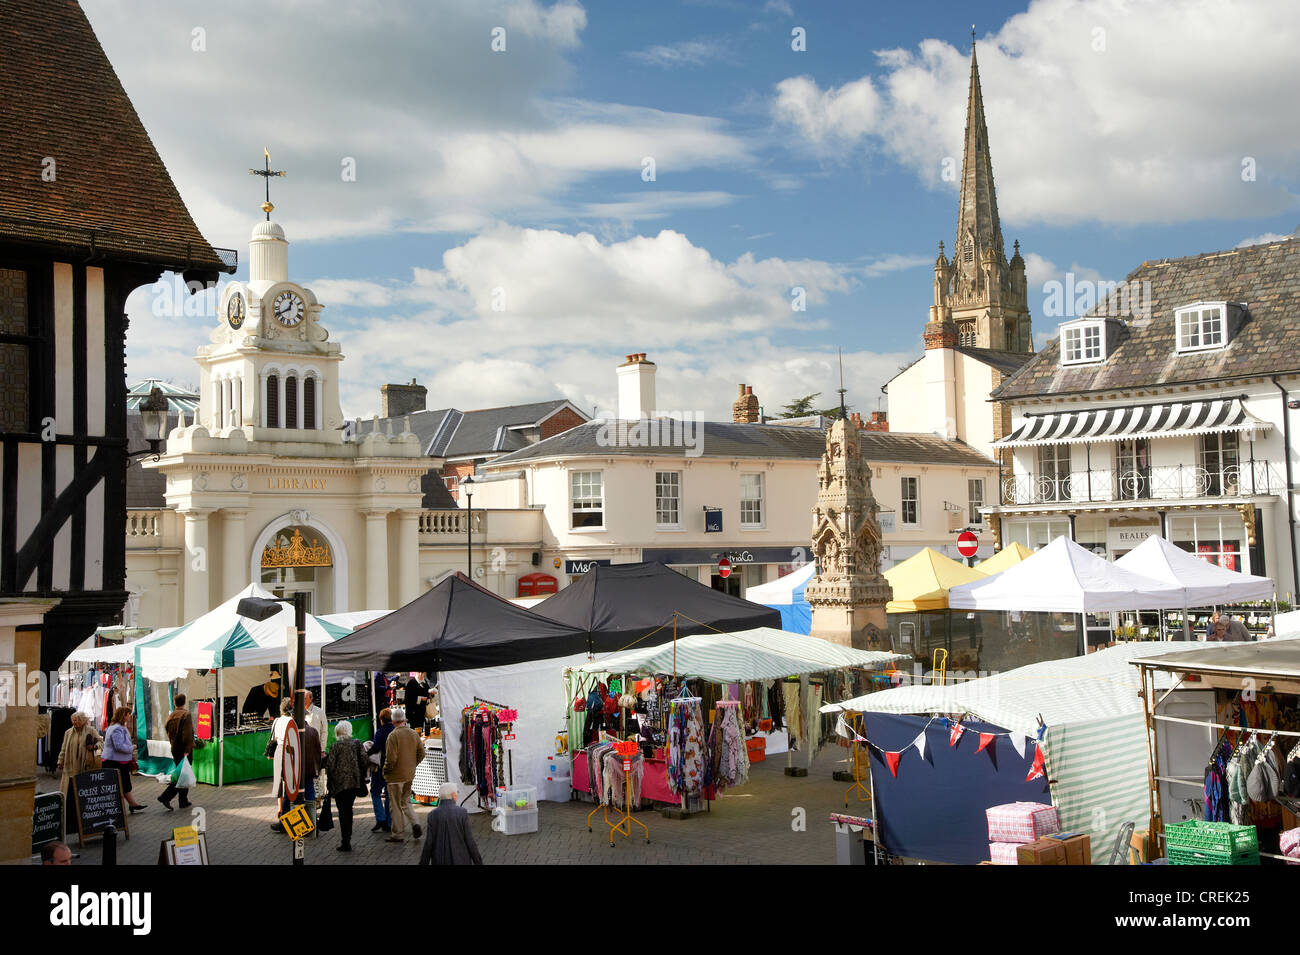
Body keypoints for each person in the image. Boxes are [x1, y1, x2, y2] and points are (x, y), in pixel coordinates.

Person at [324, 720, 368, 852]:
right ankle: (347, 838)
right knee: (348, 809)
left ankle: (345, 840)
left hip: (339, 785)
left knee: (342, 811)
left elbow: (330, 766)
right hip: (353, 783)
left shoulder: (335, 746)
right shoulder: (357, 743)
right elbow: (364, 760)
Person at [382, 707, 423, 844]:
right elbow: (421, 753)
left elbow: (391, 759)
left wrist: (386, 770)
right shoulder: (413, 733)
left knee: (395, 805)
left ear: (393, 721)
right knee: (406, 801)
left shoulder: (393, 736)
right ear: (404, 719)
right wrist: (413, 764)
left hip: (395, 776)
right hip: (409, 774)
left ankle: (398, 833)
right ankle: (415, 822)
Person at [418, 781, 483, 865]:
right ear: (452, 795)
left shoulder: (432, 815)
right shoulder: (462, 813)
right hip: (461, 860)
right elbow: (470, 841)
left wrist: (423, 862)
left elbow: (429, 843)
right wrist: (478, 862)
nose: (457, 795)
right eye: (456, 793)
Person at [56, 711, 100, 833]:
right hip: (70, 768)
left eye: (77, 720)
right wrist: (60, 760)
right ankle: (70, 823)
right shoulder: (68, 733)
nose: (74, 722)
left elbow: (100, 742)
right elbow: (64, 747)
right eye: (73, 720)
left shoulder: (91, 731)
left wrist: (94, 747)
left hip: (84, 768)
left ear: (83, 720)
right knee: (69, 795)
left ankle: (83, 821)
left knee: (81, 795)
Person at [101, 707, 145, 814]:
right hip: (115, 761)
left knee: (123, 784)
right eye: (128, 714)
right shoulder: (117, 728)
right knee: (121, 784)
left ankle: (132, 804)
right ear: (123, 715)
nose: (129, 717)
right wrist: (132, 748)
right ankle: (126, 805)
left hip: (117, 760)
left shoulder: (117, 727)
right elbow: (119, 746)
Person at [159, 694, 195, 810]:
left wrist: (173, 742)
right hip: (184, 749)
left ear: (174, 703)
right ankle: (166, 796)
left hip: (175, 748)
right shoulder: (186, 714)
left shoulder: (171, 715)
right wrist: (187, 749)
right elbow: (187, 734)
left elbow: (167, 729)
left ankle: (183, 800)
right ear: (184, 702)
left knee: (183, 774)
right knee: (183, 775)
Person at [367, 708, 394, 832]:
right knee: (389, 795)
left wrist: (366, 752)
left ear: (381, 719)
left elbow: (376, 748)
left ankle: (380, 818)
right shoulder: (395, 731)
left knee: (375, 792)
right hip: (393, 767)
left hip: (380, 766)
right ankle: (388, 821)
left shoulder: (380, 732)